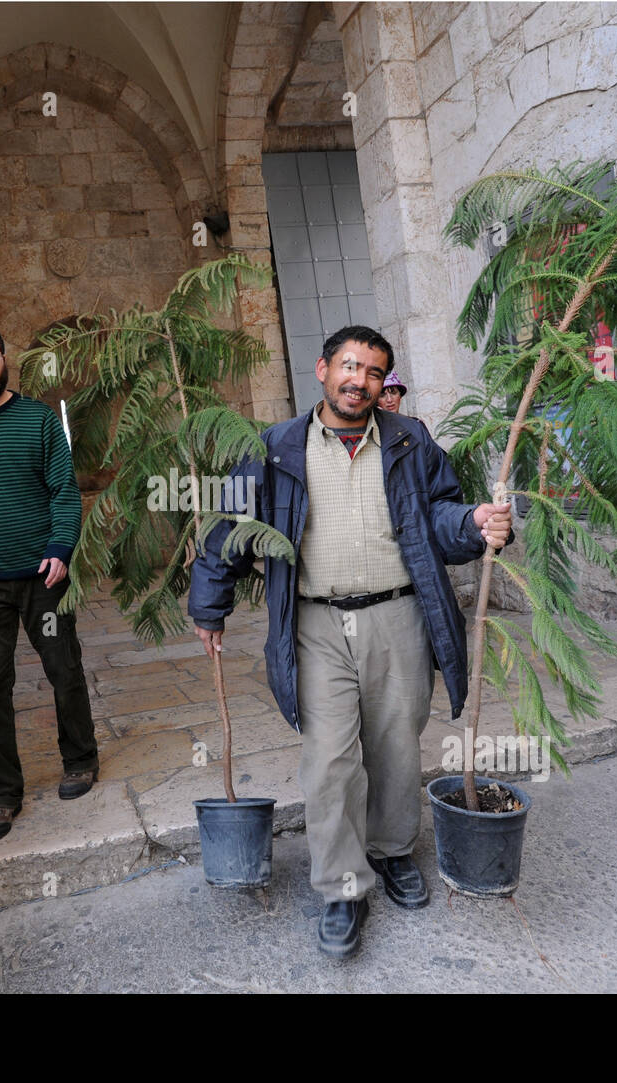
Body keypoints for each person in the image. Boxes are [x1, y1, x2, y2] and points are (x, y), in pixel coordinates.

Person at [189, 325, 512, 957]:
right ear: (322, 369)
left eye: (371, 372)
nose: (357, 380)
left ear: (381, 384)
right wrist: (210, 605)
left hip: (397, 616)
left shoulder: (409, 441)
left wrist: (473, 522)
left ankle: (391, 852)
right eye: (348, 366)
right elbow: (228, 525)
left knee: (396, 744)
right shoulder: (274, 447)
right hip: (314, 620)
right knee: (330, 758)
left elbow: (439, 520)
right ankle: (341, 888)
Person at [0, 322, 99, 843]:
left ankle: (80, 760)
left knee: (62, 668)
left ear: (5, 360)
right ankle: (1, 795)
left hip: (40, 575)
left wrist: (59, 549)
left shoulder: (38, 420)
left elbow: (64, 493)